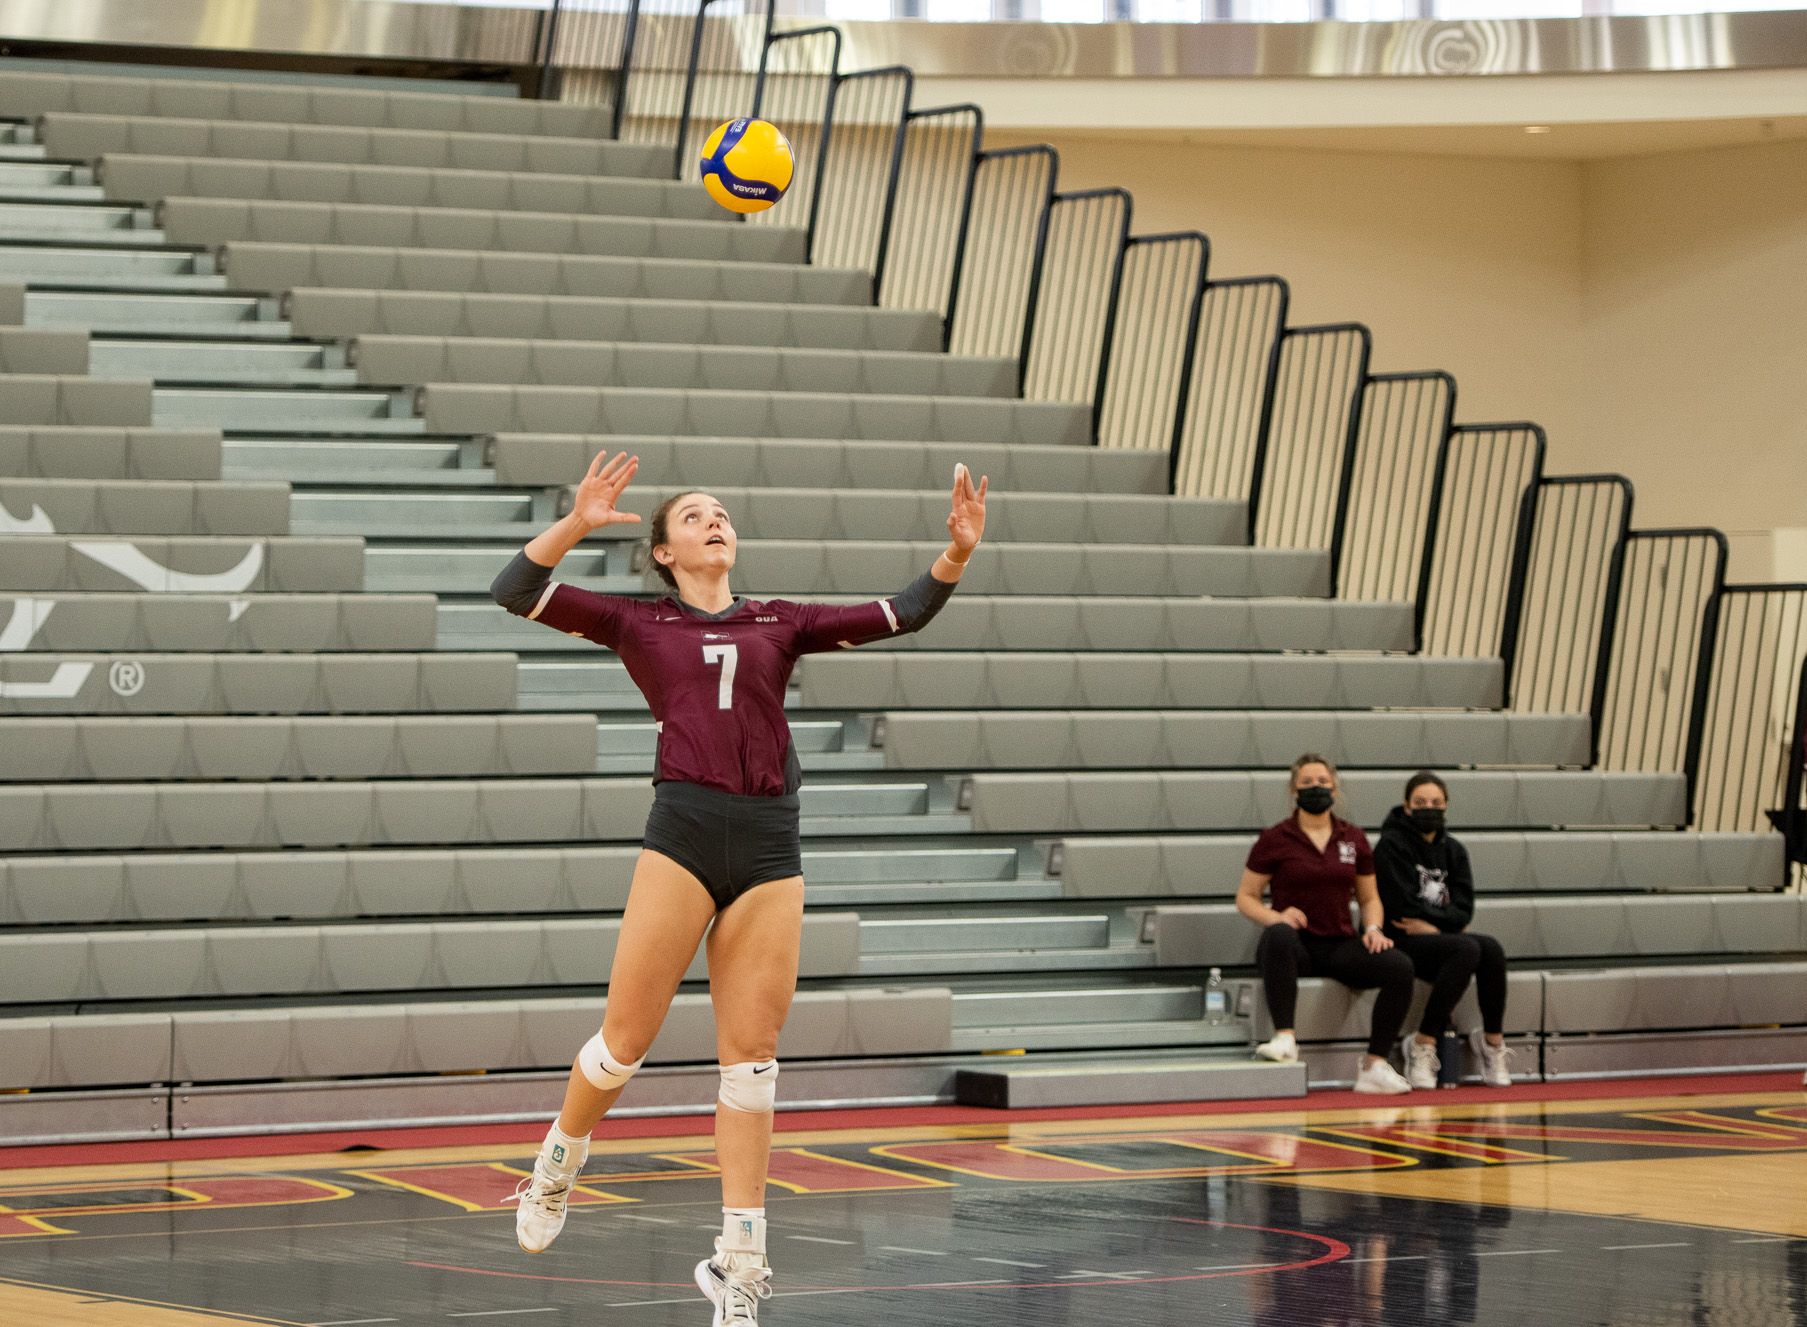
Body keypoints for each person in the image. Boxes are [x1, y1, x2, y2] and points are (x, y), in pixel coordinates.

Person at [490, 451, 988, 1324]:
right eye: (693, 516)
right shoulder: (638, 621)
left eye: (720, 512)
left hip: (768, 839)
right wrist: (576, 522)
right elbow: (513, 588)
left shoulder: (778, 620)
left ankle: (740, 1263)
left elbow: (903, 611)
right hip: (683, 829)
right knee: (623, 1045)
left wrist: (956, 551)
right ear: (664, 552)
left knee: (752, 1064)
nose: (713, 521)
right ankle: (559, 1161)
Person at [1236, 754, 1416, 1094]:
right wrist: (1277, 916)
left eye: (1322, 782)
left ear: (1334, 788)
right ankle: (1285, 1038)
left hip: (1338, 944)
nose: (1315, 788)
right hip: (1294, 946)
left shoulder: (1353, 837)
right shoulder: (1275, 838)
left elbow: (1369, 899)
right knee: (1277, 935)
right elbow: (1246, 897)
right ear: (1294, 790)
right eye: (1307, 782)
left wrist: (1373, 929)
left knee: (1399, 966)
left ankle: (1375, 1065)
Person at [1374, 771, 1514, 1089]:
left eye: (1436, 803)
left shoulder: (1454, 850)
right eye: (1421, 802)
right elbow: (1402, 907)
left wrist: (1435, 927)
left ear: (1446, 806)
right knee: (1466, 947)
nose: (1429, 808)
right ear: (1407, 806)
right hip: (1400, 939)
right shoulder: (1390, 846)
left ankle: (1492, 1043)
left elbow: (1465, 910)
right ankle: (1422, 1043)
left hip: (1436, 938)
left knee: (1491, 948)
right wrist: (1447, 923)